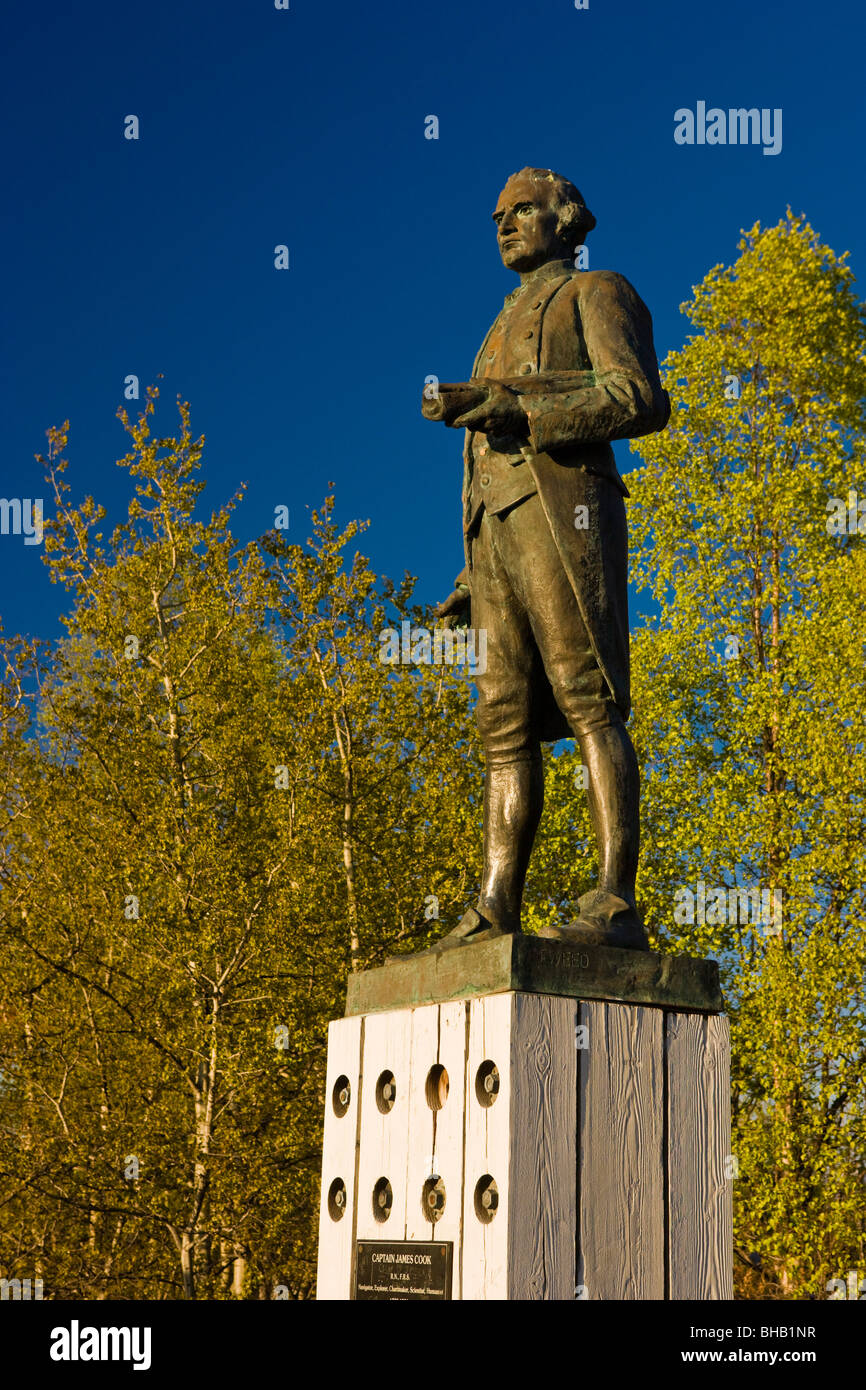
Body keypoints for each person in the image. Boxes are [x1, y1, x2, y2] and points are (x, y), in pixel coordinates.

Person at [425, 167, 669, 951]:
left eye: (522, 210)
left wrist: (520, 408)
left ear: (565, 222)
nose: (503, 224)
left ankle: (614, 901)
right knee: (501, 725)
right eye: (497, 215)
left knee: (589, 697)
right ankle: (497, 902)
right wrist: (470, 568)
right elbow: (480, 451)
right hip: (496, 531)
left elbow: (638, 398)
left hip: (566, 515)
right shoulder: (495, 325)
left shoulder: (597, 293)